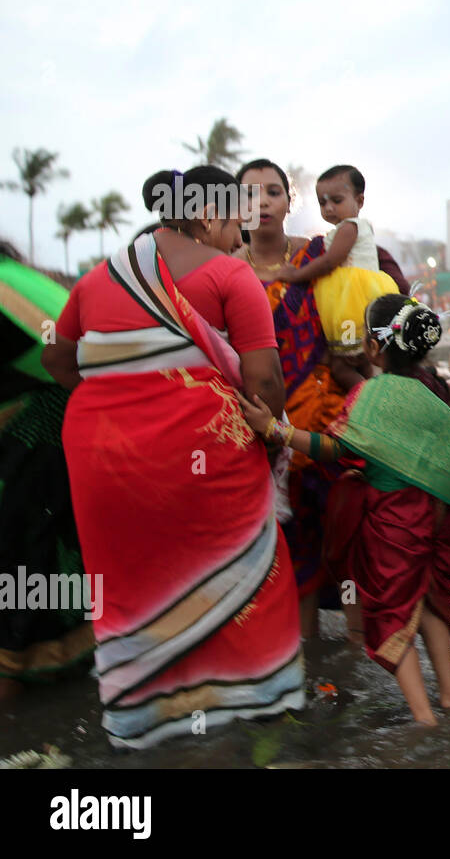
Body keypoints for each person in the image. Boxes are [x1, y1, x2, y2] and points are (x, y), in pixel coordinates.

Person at [41, 166, 304, 748]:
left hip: (102, 459)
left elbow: (58, 361)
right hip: (199, 451)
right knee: (255, 580)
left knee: (134, 584)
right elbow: (263, 379)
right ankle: (253, 716)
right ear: (210, 216)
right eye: (235, 221)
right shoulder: (231, 275)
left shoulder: (96, 278)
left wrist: (123, 392)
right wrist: (272, 433)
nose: (240, 237)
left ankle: (148, 723)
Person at [240, 295, 450, 724]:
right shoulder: (432, 389)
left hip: (396, 521)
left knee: (390, 614)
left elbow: (333, 447)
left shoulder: (370, 395)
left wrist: (274, 429)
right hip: (439, 518)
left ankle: (424, 721)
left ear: (375, 347)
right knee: (433, 601)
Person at [238, 158, 348, 639]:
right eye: (249, 195)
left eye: (272, 192)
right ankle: (284, 658)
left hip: (319, 419)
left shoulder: (318, 255)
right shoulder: (224, 269)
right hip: (252, 423)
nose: (261, 203)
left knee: (331, 534)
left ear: (289, 201)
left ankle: (334, 660)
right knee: (271, 545)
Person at [0, 246, 92, 699]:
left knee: (23, 551)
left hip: (34, 441)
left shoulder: (9, 288)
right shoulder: (19, 279)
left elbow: (63, 354)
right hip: (58, 437)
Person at [274, 164, 398, 391]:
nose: (329, 207)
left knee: (341, 366)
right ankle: (373, 391)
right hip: (360, 307)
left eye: (337, 200)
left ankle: (369, 400)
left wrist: (296, 275)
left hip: (351, 306)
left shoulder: (349, 228)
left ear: (359, 201)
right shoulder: (353, 227)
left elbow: (331, 261)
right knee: (362, 361)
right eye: (322, 202)